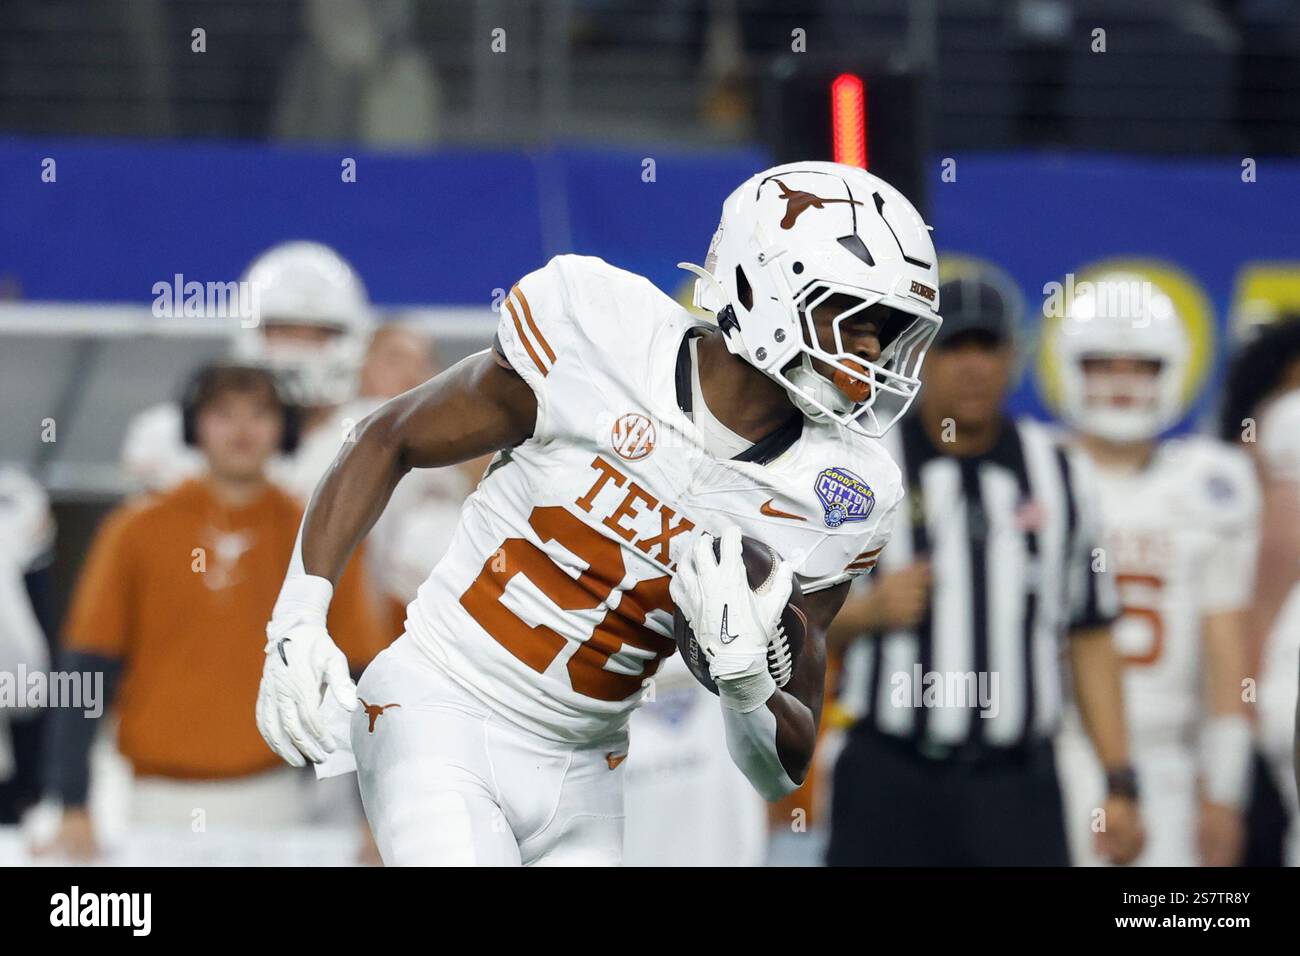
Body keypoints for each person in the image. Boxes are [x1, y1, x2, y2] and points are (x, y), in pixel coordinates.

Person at [255, 161, 944, 866]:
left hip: (588, 769)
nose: (871, 348)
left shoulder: (840, 492)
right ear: (759, 281)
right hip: (440, 706)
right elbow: (388, 436)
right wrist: (298, 618)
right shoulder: (600, 333)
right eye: (853, 314)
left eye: (889, 330)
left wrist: (745, 687)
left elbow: (776, 770)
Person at [825, 270, 1144, 866]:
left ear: (1012, 357)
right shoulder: (862, 465)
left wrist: (1120, 780)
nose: (972, 367)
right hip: (890, 776)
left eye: (987, 347)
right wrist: (868, 613)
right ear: (918, 357)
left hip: (1015, 786)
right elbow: (791, 619)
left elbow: (1090, 631)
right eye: (954, 348)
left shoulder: (1060, 473)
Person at [40, 364, 386, 858]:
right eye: (223, 413)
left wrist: (373, 814)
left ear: (284, 427)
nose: (242, 430)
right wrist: (71, 803)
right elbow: (87, 668)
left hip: (279, 803)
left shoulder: (319, 533)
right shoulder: (135, 531)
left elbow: (356, 679)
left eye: (260, 413)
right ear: (193, 425)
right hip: (153, 804)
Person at [1051, 274, 1259, 866]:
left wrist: (1225, 792)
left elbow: (1227, 656)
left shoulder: (1211, 483)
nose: (1120, 381)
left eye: (1139, 365)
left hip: (1169, 763)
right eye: (1102, 364)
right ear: (1070, 368)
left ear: (1172, 371)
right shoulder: (1040, 471)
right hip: (1051, 753)